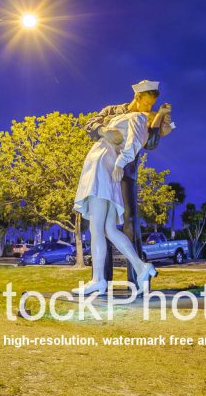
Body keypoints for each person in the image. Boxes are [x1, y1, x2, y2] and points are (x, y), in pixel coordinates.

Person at [73, 88, 172, 296]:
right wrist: (105, 134)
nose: (149, 108)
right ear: (137, 97)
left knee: (97, 228)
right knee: (109, 228)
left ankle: (98, 280)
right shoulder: (118, 112)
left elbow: (137, 143)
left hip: (105, 165)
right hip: (107, 165)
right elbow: (92, 125)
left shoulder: (139, 118)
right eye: (147, 103)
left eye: (151, 106)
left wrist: (120, 162)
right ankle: (140, 267)